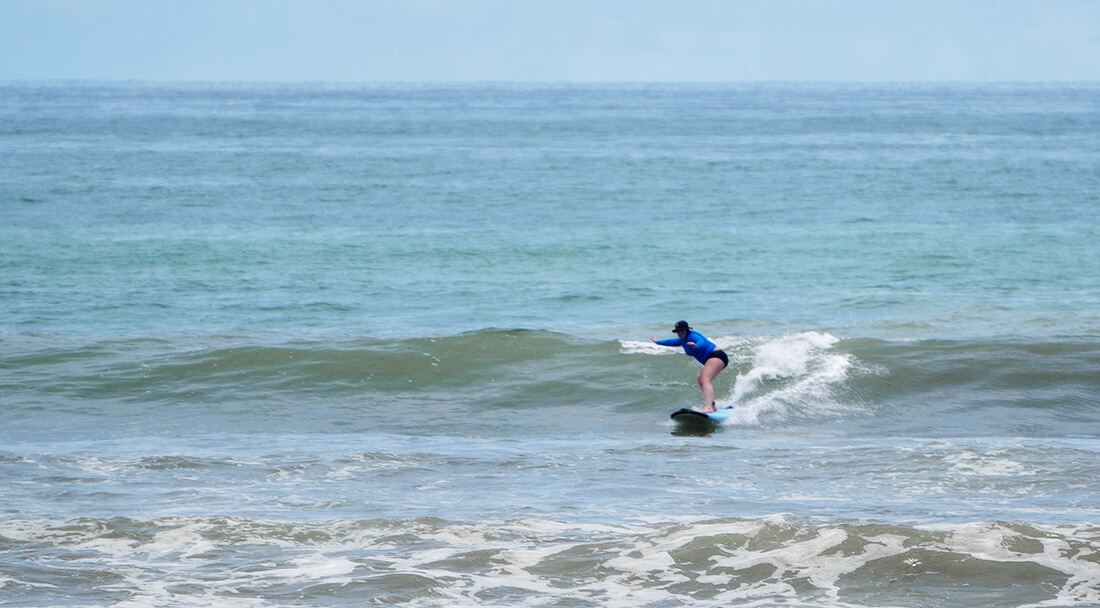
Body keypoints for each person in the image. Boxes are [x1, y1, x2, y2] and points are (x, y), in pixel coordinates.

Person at [650, 320, 729, 413]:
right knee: (701, 381)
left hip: (716, 355)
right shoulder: (682, 340)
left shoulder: (693, 336)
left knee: (704, 380)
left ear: (687, 330)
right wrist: (657, 342)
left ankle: (708, 407)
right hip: (712, 358)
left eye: (682, 330)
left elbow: (701, 341)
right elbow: (671, 342)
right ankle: (712, 405)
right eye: (677, 331)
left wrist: (696, 346)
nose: (679, 333)